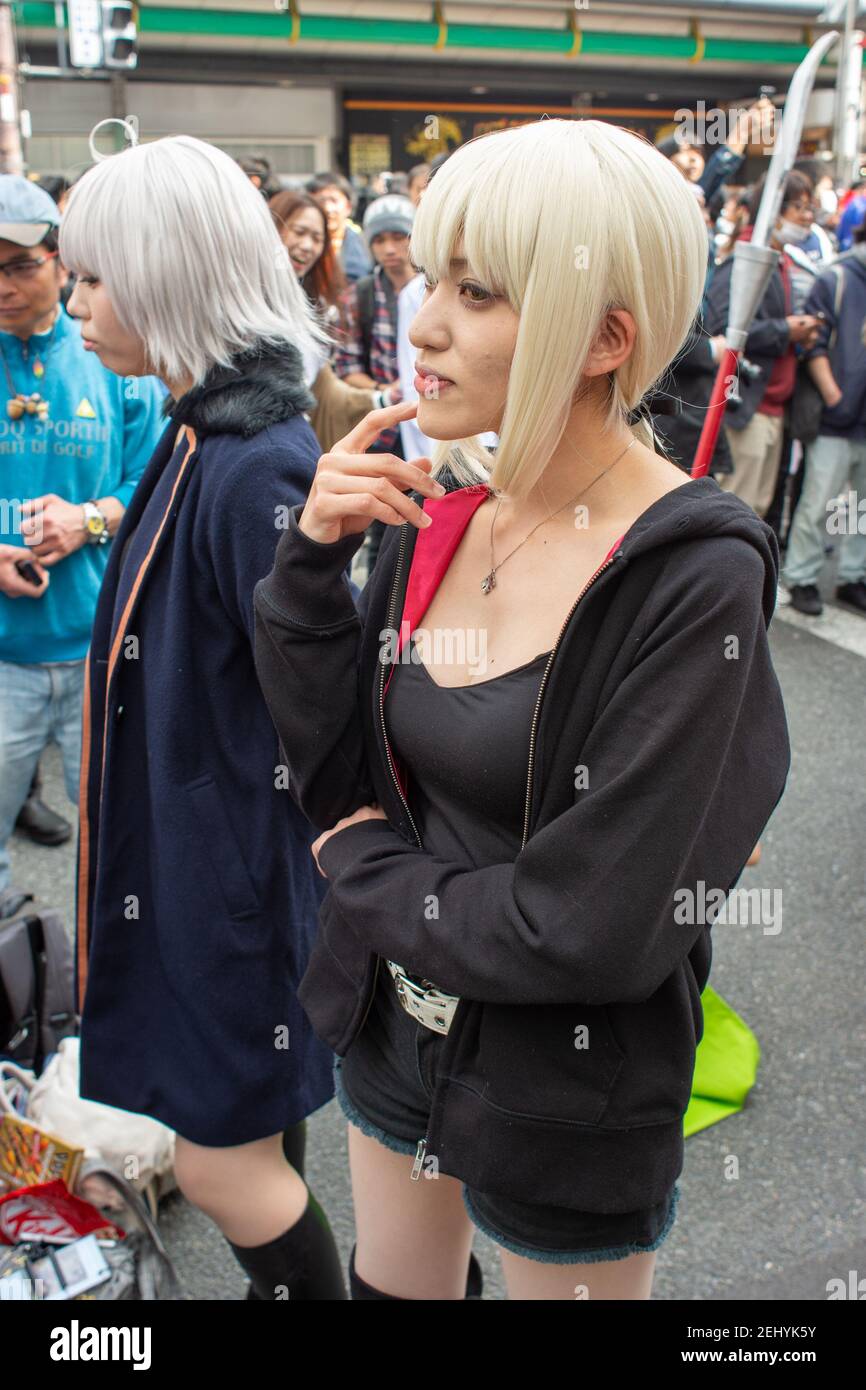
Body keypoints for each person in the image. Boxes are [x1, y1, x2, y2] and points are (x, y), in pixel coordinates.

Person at [253, 118, 791, 1300]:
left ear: (606, 335)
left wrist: (361, 871)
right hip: (391, 1021)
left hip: (564, 1083)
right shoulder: (443, 506)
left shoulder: (693, 575)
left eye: (479, 291)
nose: (423, 320)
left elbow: (584, 925)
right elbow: (331, 760)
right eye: (428, 276)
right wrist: (306, 564)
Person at [62, 134, 346, 1300]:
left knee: (223, 1165)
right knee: (256, 1141)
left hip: (232, 878)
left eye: (92, 274)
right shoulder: (202, 429)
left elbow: (322, 707)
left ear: (170, 274)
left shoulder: (251, 463)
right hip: (210, 864)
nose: (75, 299)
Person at [0, 175, 165, 920]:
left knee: (124, 840)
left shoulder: (111, 348)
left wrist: (88, 521)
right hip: (6, 662)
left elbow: (155, 484)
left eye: (19, 265)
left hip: (104, 650)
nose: (3, 285)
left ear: (59, 261)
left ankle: (101, 996)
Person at [705, 172, 822, 519]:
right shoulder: (745, 261)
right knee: (735, 512)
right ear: (773, 209)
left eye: (809, 207)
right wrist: (785, 331)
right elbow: (722, 332)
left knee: (754, 510)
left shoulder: (783, 261)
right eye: (798, 207)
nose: (807, 217)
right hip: (747, 405)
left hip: (771, 406)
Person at [269, 189, 400, 451]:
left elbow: (325, 389)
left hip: (293, 445)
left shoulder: (314, 307)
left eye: (317, 238)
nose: (307, 246)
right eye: (299, 232)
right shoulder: (243, 301)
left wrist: (384, 398)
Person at [782, 222, 866, 616]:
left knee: (858, 508)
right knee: (820, 502)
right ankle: (801, 576)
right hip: (836, 416)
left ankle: (853, 574)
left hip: (859, 417)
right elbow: (813, 341)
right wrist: (834, 394)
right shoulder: (837, 277)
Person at [333, 193, 416, 572]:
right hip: (385, 426)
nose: (390, 249)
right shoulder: (361, 296)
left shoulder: (438, 289)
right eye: (380, 241)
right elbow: (347, 364)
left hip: (434, 426)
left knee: (429, 513)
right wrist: (386, 394)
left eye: (399, 237)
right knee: (381, 524)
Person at [307, 171, 373, 283]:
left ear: (348, 207)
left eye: (334, 200)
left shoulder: (364, 242)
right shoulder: (304, 243)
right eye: (321, 201)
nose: (328, 208)